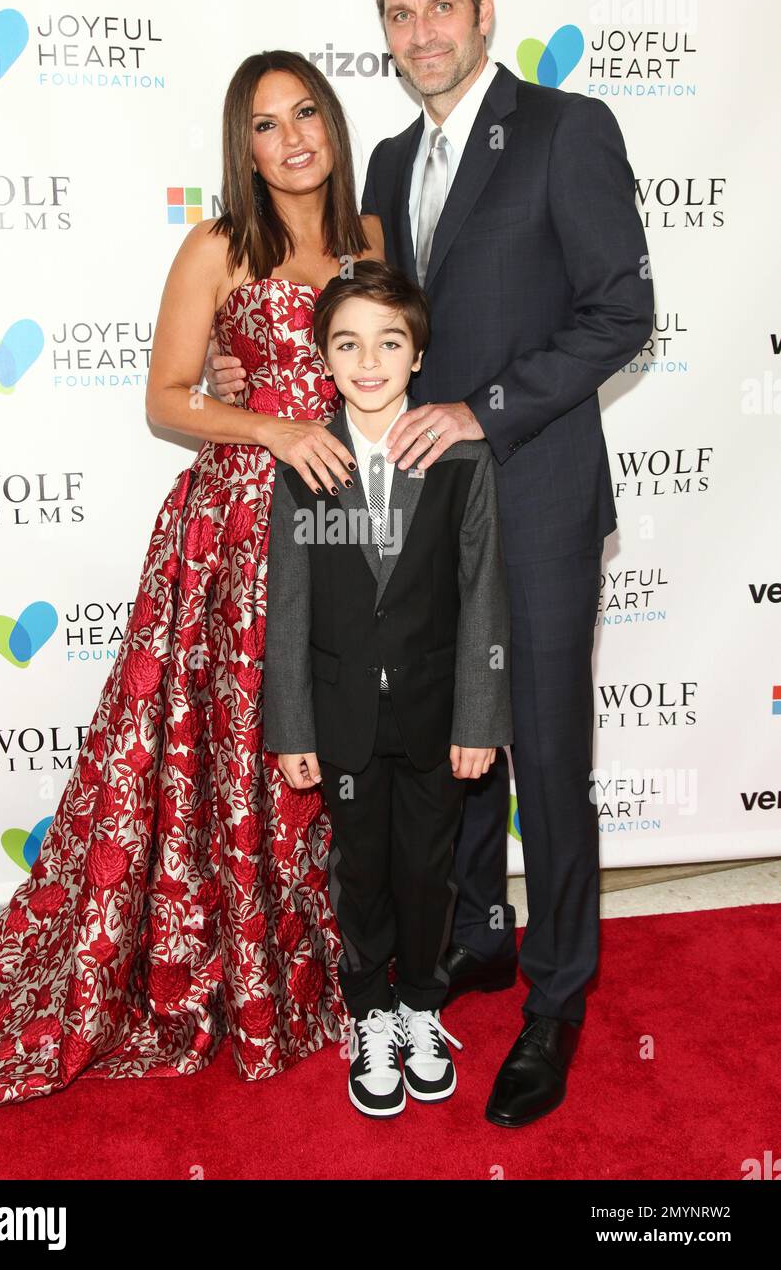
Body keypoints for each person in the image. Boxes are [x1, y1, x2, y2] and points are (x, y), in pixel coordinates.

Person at [209, 0, 655, 1127]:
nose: (421, 32)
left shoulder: (568, 131)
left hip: (543, 500)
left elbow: (621, 313)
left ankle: (556, 999)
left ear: (482, 5)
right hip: (416, 520)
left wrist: (483, 409)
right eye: (398, 14)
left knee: (546, 760)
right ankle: (478, 939)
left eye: (438, 6)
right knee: (448, 753)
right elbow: (365, 323)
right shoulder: (391, 167)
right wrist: (258, 384)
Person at [0, 50, 385, 1121]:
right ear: (244, 147)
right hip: (241, 539)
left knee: (331, 748)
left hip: (350, 532)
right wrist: (268, 418)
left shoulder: (370, 241)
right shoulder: (220, 245)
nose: (292, 137)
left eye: (306, 112)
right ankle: (229, 967)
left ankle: (329, 967)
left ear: (332, 121)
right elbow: (169, 397)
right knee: (243, 744)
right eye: (265, 125)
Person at [262, 259, 512, 1117]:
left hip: (438, 712)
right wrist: (292, 726)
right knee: (360, 871)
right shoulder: (305, 463)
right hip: (341, 721)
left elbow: (482, 594)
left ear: (416, 354)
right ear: (324, 358)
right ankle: (369, 1014)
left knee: (429, 873)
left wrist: (480, 715)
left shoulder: (459, 456)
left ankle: (418, 1008)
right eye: (347, 343)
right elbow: (287, 610)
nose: (368, 361)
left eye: (389, 342)